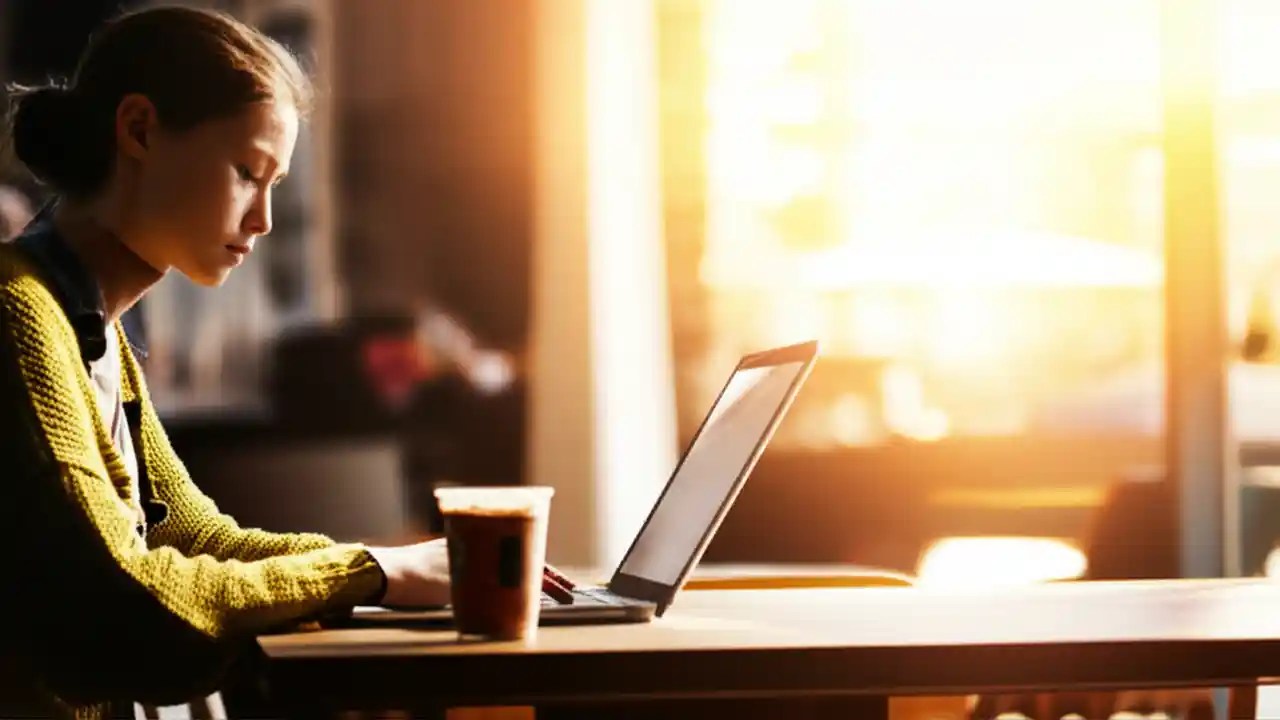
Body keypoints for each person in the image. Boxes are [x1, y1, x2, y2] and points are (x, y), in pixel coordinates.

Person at [0, 7, 451, 717]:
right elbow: (124, 605)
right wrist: (372, 572)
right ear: (140, 129)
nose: (265, 219)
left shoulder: (92, 326)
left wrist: (397, 565)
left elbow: (195, 536)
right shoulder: (18, 312)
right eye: (248, 172)